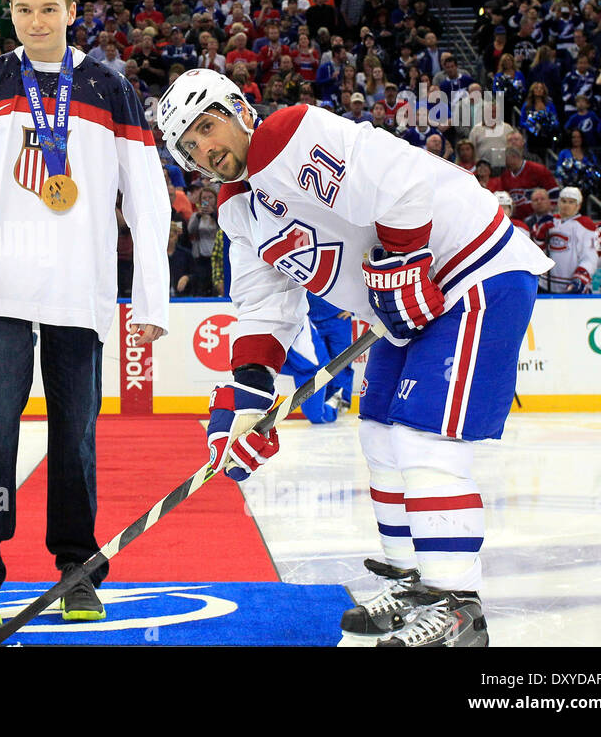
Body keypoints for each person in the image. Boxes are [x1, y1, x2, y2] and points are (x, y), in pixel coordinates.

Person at [154, 68, 550, 647]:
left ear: (241, 110)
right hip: (407, 307)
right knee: (381, 438)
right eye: (190, 146)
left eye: (208, 127)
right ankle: (413, 581)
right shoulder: (240, 212)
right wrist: (246, 400)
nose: (206, 150)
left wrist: (405, 261)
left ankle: (458, 606)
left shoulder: (288, 136)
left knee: (424, 443)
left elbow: (402, 185)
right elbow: (264, 308)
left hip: (472, 273)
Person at [0, 0, 170, 627]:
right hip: (2, 286)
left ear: (71, 9)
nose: (36, 22)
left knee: (76, 438)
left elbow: (148, 201)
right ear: (10, 10)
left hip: (79, 288)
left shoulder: (111, 88)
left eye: (49, 9)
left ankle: (78, 568)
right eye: (24, 9)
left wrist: (150, 300)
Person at [533, 186, 598, 294]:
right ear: (558, 203)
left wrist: (580, 278)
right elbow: (537, 253)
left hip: (571, 285)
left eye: (571, 202)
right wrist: (540, 235)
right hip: (546, 285)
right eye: (563, 201)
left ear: (578, 206)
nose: (566, 205)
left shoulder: (586, 225)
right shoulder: (549, 222)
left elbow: (590, 258)